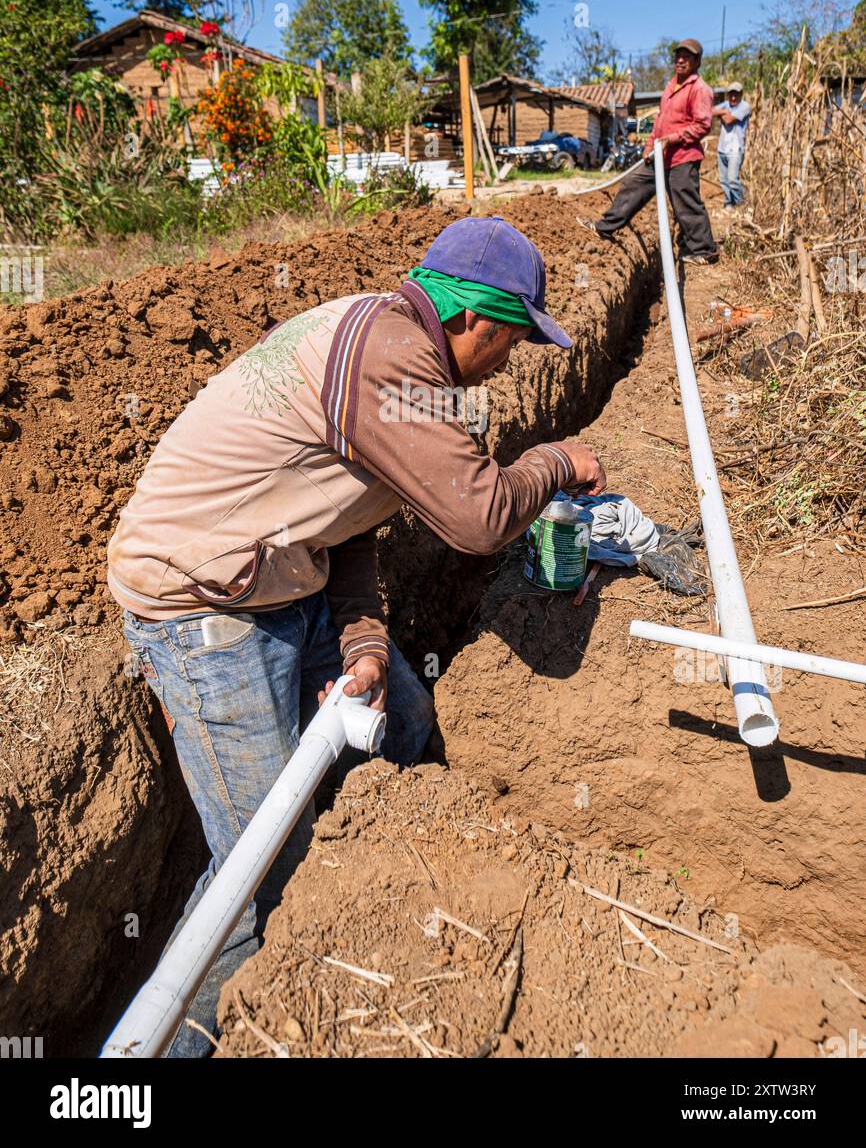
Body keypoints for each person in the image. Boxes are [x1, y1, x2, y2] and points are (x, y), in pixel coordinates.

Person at [107, 215, 606, 1056]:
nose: (512, 361)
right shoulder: (394, 361)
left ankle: (389, 896)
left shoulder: (390, 338)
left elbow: (348, 521)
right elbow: (481, 520)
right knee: (258, 871)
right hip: (201, 606)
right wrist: (556, 461)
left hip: (276, 576)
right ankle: (145, 1068)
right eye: (513, 339)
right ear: (474, 321)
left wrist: (364, 641)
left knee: (405, 721)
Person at [582, 39, 718, 264]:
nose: (681, 60)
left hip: (683, 157)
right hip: (659, 155)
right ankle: (605, 227)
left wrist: (672, 139)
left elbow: (703, 125)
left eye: (687, 57)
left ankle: (705, 250)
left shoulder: (700, 89)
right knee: (633, 185)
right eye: (678, 56)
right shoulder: (670, 87)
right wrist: (649, 145)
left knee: (685, 202)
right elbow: (660, 121)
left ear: (697, 61)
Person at [713, 82, 751, 208]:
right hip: (722, 148)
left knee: (733, 180)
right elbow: (710, 111)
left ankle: (741, 204)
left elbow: (728, 120)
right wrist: (724, 111)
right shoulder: (726, 105)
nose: (733, 98)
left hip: (735, 149)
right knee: (724, 181)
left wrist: (721, 113)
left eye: (736, 94)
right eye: (731, 94)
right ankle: (728, 204)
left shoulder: (745, 106)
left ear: (741, 94)